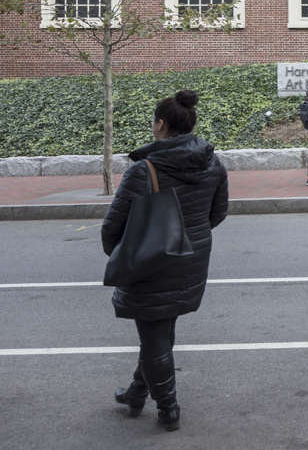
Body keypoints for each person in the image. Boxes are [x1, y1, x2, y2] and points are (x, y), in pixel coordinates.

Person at [105, 89, 229, 432]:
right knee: (161, 330)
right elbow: (216, 213)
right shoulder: (212, 162)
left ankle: (168, 409)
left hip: (151, 262)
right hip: (192, 259)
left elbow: (112, 228)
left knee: (154, 336)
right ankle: (135, 393)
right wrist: (189, 237)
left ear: (160, 124)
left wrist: (127, 254)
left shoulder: (144, 170)